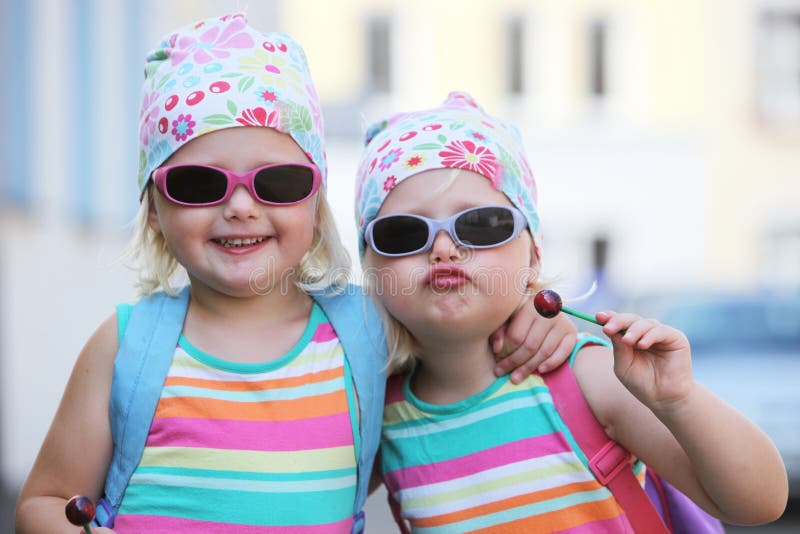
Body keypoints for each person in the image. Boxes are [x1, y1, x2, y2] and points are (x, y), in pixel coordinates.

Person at [14, 15, 576, 533]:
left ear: (315, 204)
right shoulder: (126, 345)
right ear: (155, 211)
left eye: (277, 183)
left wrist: (537, 313)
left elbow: (459, 327)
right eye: (198, 185)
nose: (239, 206)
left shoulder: (367, 331)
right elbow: (42, 502)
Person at [355, 92, 789, 532]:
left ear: (533, 256)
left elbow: (760, 502)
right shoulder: (379, 418)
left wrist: (679, 401)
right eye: (403, 232)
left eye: (480, 225)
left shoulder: (589, 377)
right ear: (370, 267)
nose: (444, 249)